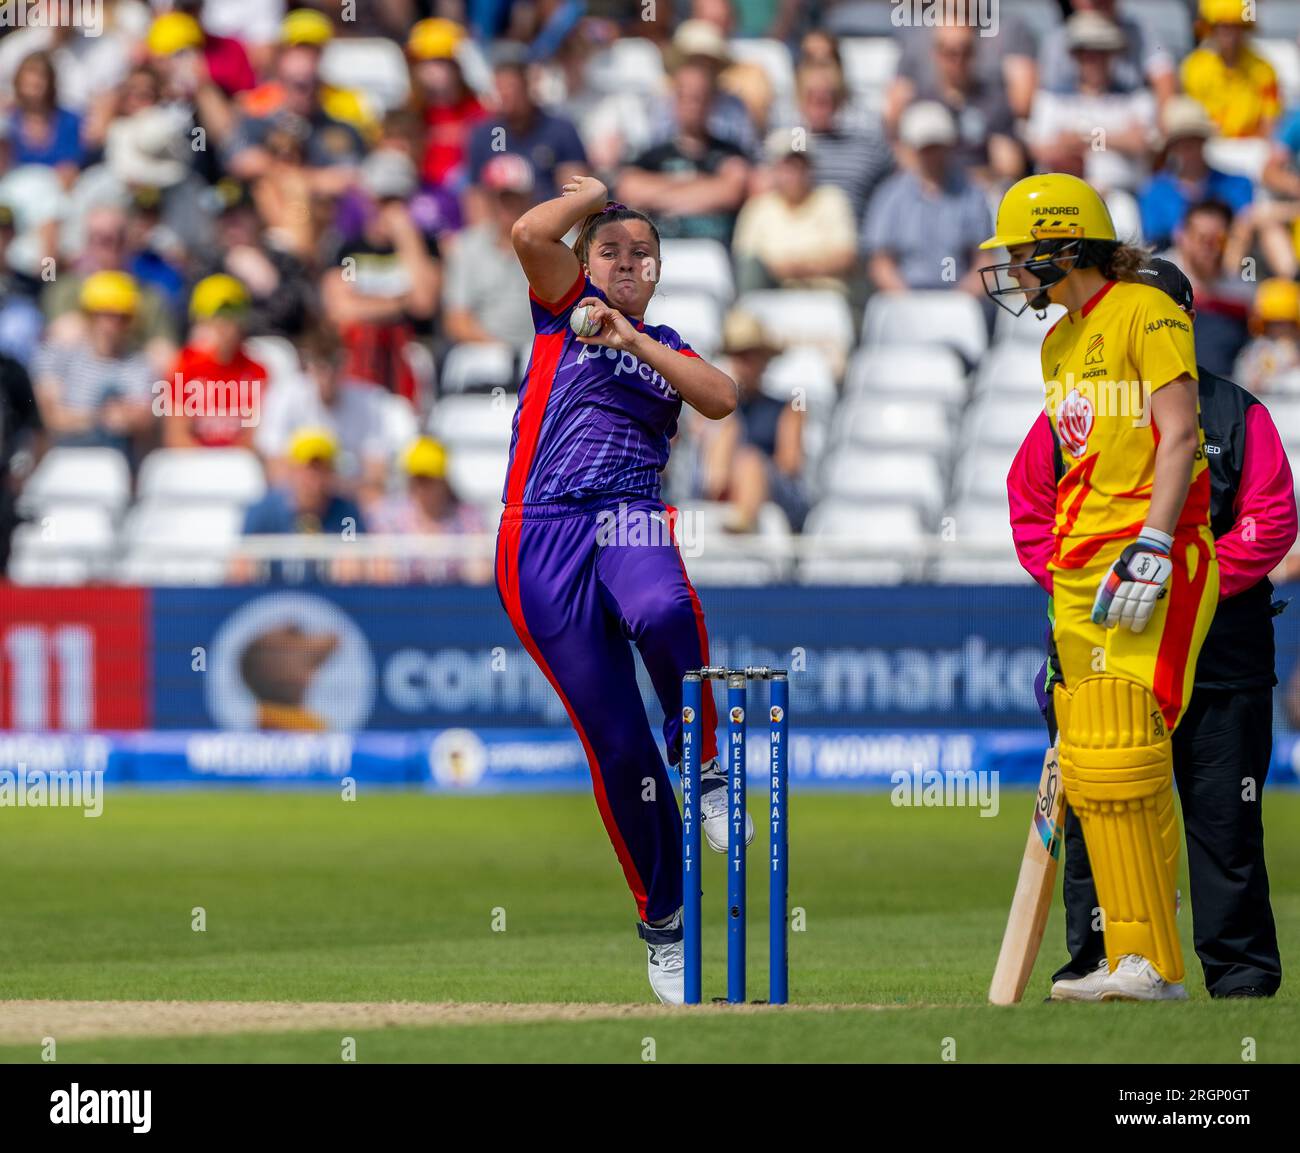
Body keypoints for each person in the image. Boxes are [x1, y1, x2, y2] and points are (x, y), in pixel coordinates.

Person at [1009, 258, 1291, 1000]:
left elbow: (1270, 519)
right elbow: (1031, 507)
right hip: (1106, 640)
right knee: (1101, 804)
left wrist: (1182, 584)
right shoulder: (1074, 404)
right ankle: (1094, 958)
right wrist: (1083, 588)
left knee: (1224, 822)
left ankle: (1239, 980)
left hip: (1223, 649)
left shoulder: (1236, 410)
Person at [501, 173, 741, 1004]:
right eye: (611, 249)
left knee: (663, 606)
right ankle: (665, 918)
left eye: (644, 252)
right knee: (619, 749)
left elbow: (721, 396)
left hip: (629, 513)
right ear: (584, 262)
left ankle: (705, 760)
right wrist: (594, 194)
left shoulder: (665, 341)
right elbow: (531, 232)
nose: (629, 260)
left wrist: (631, 340)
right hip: (539, 532)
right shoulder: (556, 305)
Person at [980, 173, 1219, 1001]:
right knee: (1090, 763)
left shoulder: (1146, 310)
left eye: (1018, 255)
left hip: (1152, 550)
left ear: (1057, 246)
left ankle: (1155, 963)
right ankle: (1127, 956)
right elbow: (1076, 458)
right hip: (1080, 566)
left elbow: (1180, 432)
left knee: (1129, 745)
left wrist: (1154, 541)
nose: (1011, 271)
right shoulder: (1057, 342)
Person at [863, 101, 992, 300]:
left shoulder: (972, 194)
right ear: (910, 148)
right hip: (905, 300)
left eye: (937, 147)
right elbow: (881, 262)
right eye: (925, 148)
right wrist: (907, 300)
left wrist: (960, 299)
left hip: (960, 301)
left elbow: (984, 260)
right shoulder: (890, 196)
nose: (932, 156)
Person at [617, 60, 750, 245]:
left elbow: (732, 191)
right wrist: (706, 187)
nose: (691, 105)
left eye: (698, 97)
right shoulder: (653, 155)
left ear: (711, 102)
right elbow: (630, 189)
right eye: (684, 96)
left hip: (714, 252)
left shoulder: (730, 154)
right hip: (663, 250)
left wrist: (659, 193)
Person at [32, 271, 155, 461]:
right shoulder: (62, 357)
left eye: (122, 317)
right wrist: (99, 419)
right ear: (89, 315)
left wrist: (125, 419)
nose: (112, 324)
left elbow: (143, 419)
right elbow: (50, 418)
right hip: (64, 460)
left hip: (117, 465)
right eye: (104, 314)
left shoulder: (139, 365)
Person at [732, 131, 856, 296]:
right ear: (774, 170)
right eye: (787, 166)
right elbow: (746, 263)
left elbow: (846, 257)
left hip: (823, 297)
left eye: (800, 165)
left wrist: (796, 268)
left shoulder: (831, 200)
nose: (794, 174)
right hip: (769, 297)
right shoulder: (758, 208)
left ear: (811, 168)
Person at [367, 437, 491, 585]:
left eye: (427, 479)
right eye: (416, 479)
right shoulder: (388, 517)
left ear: (443, 480)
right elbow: (382, 575)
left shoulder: (469, 517)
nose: (420, 487)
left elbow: (481, 574)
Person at [165, 274, 267, 450]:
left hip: (239, 467)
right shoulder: (185, 367)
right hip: (196, 467)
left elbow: (256, 438)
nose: (224, 328)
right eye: (216, 319)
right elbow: (177, 437)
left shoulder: (257, 372)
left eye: (231, 318)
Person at [1181, 0, 1279, 140]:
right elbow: (1189, 121)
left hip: (1250, 151)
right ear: (1211, 29)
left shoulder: (1264, 71)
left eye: (1236, 26)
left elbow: (1270, 123)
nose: (1230, 34)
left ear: (1245, 28)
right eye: (1223, 26)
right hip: (1206, 148)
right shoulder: (1194, 68)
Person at [1233, 279, 1300, 394]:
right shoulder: (1256, 349)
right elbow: (1243, 380)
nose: (1281, 329)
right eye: (1273, 323)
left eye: (1288, 323)